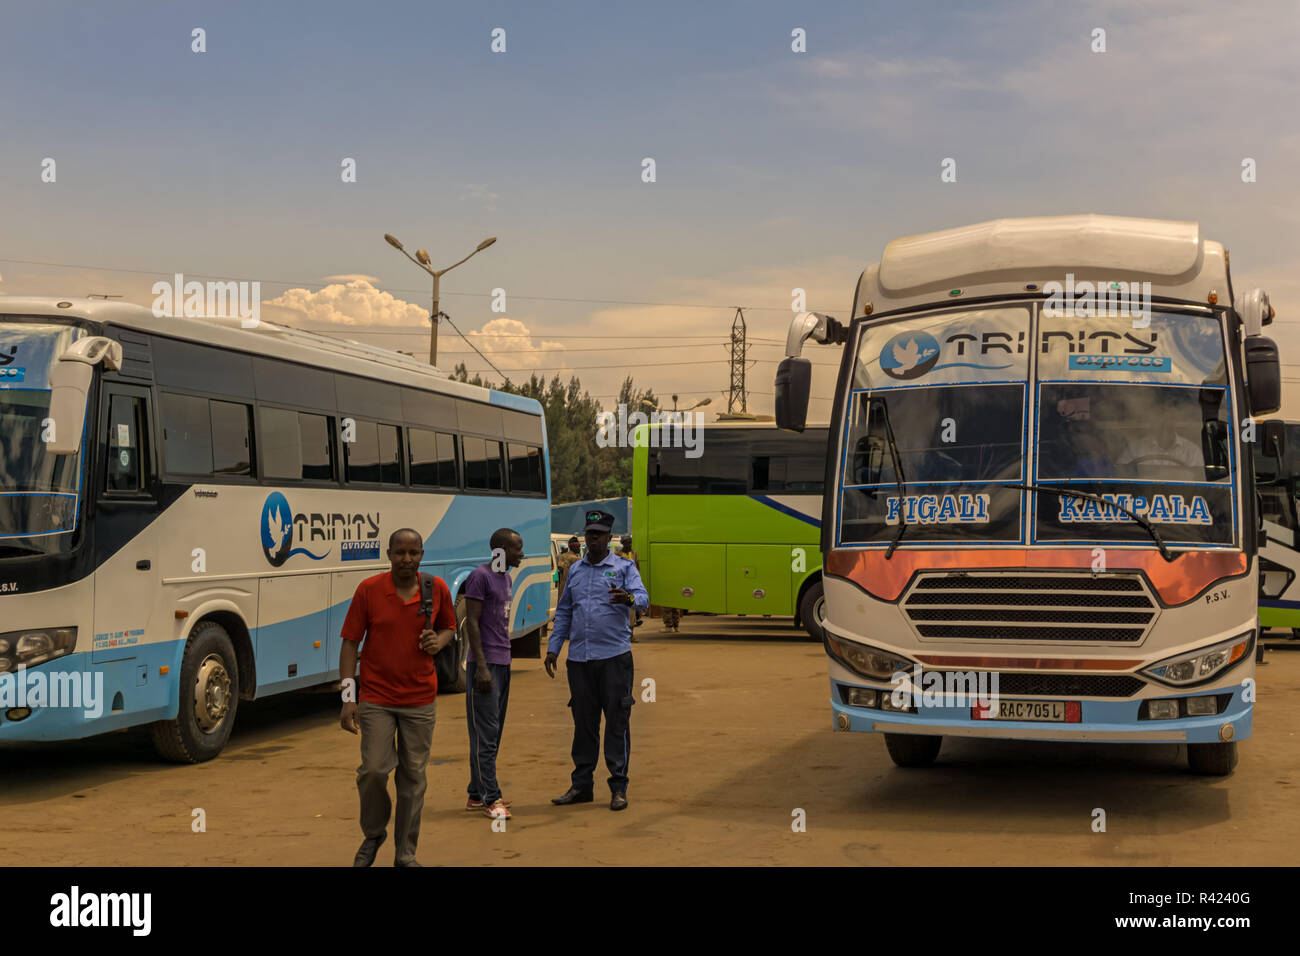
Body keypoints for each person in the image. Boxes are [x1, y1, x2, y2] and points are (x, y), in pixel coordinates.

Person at [339, 528, 457, 867]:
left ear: (422, 554)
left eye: (413, 553)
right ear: (388, 554)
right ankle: (374, 832)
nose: (407, 559)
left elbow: (449, 626)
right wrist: (349, 697)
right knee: (373, 771)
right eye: (400, 553)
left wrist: (441, 640)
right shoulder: (369, 591)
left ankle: (406, 852)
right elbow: (350, 643)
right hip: (376, 697)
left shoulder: (437, 589)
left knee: (413, 778)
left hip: (420, 699)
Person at [545, 510, 648, 811]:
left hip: (614, 659)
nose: (593, 539)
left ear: (609, 538)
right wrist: (553, 647)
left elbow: (643, 598)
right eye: (589, 533)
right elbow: (564, 611)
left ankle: (618, 786)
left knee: (617, 722)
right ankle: (581, 786)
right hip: (579, 660)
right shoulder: (575, 571)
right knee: (583, 724)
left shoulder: (624, 567)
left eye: (599, 534)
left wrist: (627, 598)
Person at [463, 528, 523, 819]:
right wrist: (482, 668)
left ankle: (476, 793)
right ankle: (491, 797)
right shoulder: (480, 577)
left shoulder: (506, 577)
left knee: (493, 731)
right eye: (517, 548)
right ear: (499, 549)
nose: (521, 554)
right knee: (485, 735)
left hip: (503, 662)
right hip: (484, 666)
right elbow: (471, 623)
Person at [620, 535, 643, 637]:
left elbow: (637, 568)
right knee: (622, 610)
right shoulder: (617, 555)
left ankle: (631, 634)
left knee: (632, 611)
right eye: (627, 543)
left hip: (632, 586)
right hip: (622, 587)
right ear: (623, 543)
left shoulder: (634, 554)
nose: (629, 545)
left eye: (630, 543)